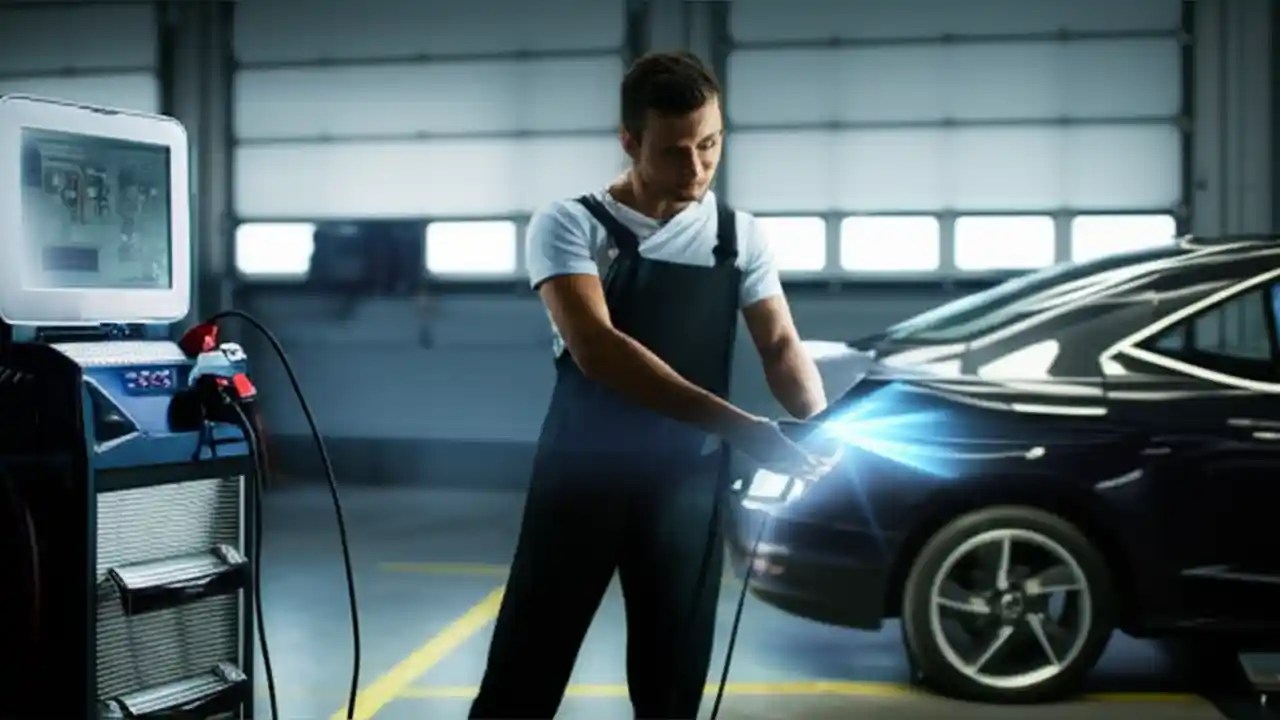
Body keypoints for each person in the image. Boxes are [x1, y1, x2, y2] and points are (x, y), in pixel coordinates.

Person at [469, 51, 835, 720]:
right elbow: (600, 351)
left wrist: (820, 424)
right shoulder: (571, 224)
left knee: (672, 691)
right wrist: (746, 431)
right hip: (580, 482)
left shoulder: (738, 237)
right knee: (523, 676)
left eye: (711, 144)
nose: (697, 168)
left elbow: (780, 346)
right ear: (631, 141)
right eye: (674, 150)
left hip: (685, 491)